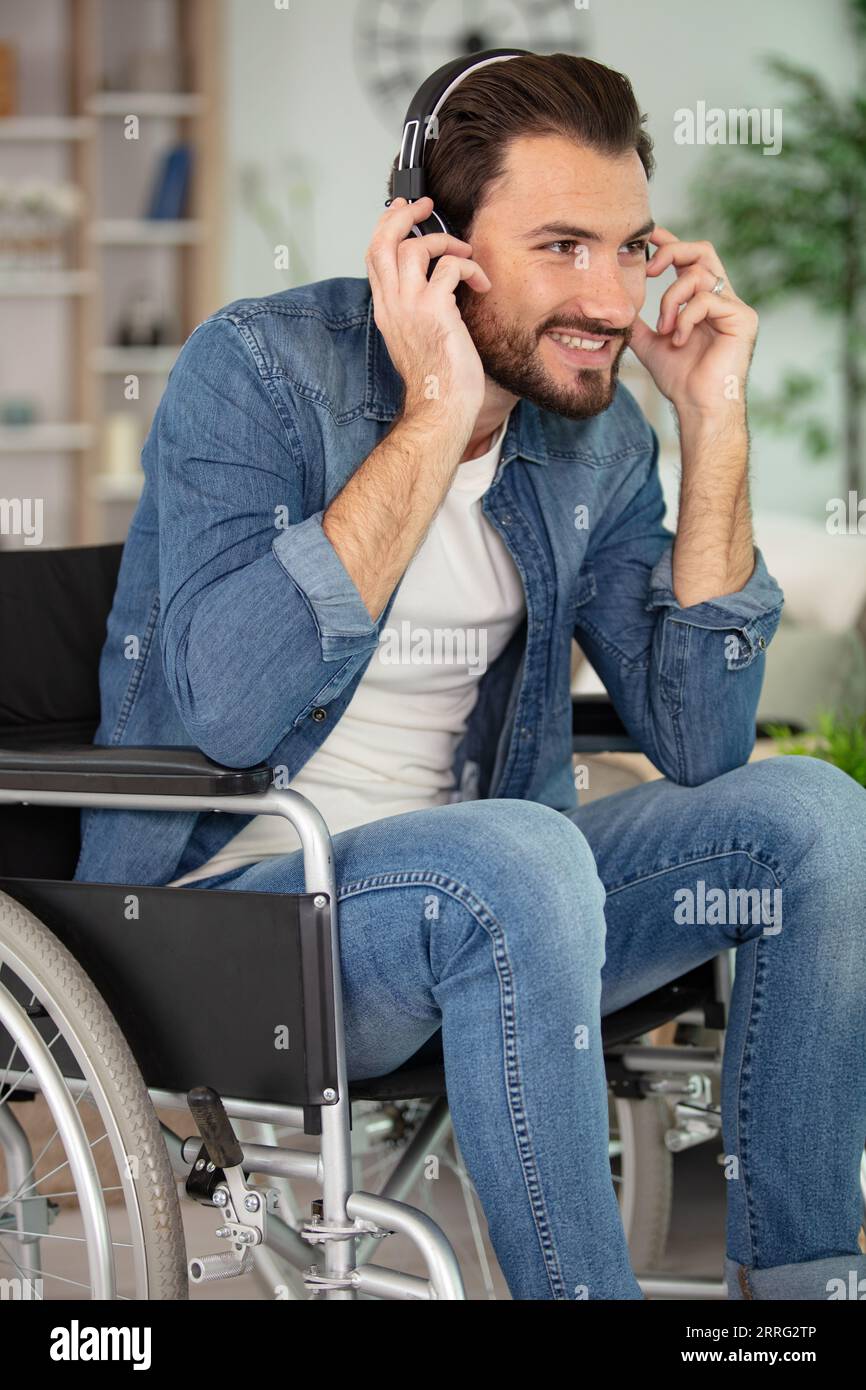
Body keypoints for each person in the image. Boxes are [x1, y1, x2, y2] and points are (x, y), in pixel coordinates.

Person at [74, 53, 866, 1301]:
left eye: (628, 247)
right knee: (513, 853)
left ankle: (802, 1295)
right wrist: (437, 409)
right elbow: (231, 709)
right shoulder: (259, 372)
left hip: (507, 891)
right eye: (560, 247)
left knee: (816, 819)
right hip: (249, 912)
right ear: (429, 243)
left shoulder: (592, 427)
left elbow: (702, 742)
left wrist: (713, 422)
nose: (607, 298)